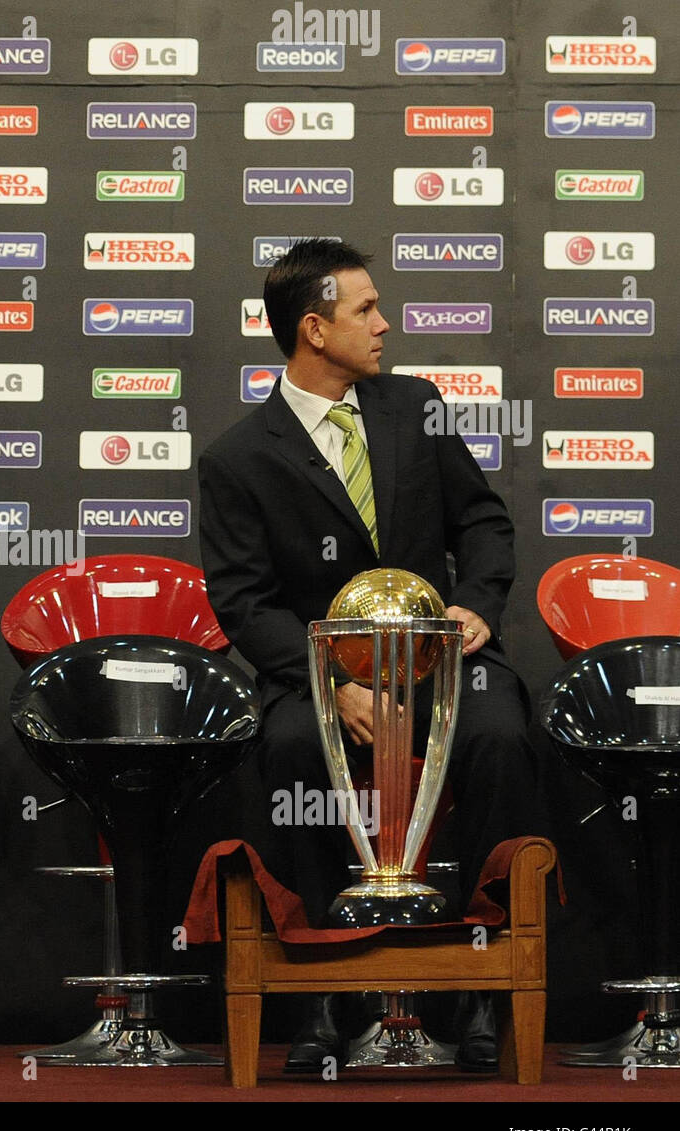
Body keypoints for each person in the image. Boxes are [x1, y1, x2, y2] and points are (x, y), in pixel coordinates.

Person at [197, 238, 539, 1072]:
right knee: (286, 745)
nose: (385, 325)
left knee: (499, 732)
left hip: (439, 664)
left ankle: (482, 989)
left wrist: (478, 608)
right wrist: (330, 687)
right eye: (366, 310)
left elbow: (485, 525)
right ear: (314, 329)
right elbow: (244, 603)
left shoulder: (414, 406)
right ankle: (318, 1000)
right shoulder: (237, 457)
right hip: (316, 675)